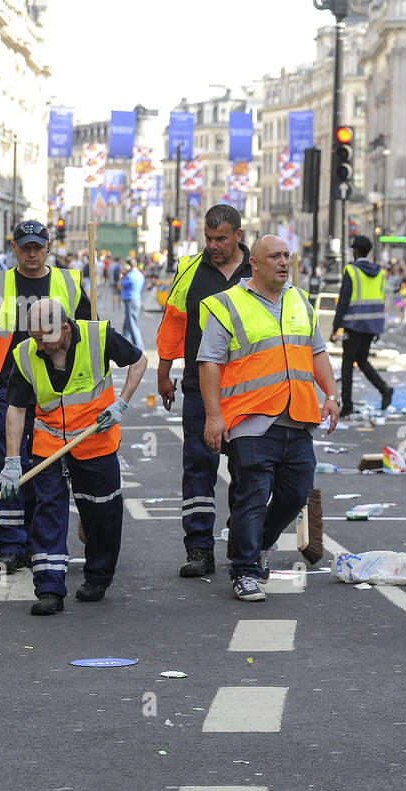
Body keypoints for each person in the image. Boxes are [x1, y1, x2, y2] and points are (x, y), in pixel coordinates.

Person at [197, 235, 340, 602]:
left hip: (298, 417)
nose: (283, 262)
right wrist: (214, 417)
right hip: (250, 420)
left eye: (286, 256)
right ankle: (244, 571)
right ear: (254, 264)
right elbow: (209, 364)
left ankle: (260, 542)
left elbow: (317, 352)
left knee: (295, 494)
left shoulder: (299, 300)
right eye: (274, 256)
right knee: (253, 496)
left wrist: (332, 395)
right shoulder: (226, 304)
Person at [0, 298, 147, 615]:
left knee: (102, 514)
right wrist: (12, 461)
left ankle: (98, 576)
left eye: (44, 338)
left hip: (95, 439)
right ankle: (49, 588)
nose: (38, 345)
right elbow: (17, 409)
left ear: (65, 327)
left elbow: (139, 361)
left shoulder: (98, 336)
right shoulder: (26, 354)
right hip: (50, 445)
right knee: (47, 513)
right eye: (34, 336)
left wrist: (121, 403)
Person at [0, 220, 90, 575]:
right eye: (25, 247)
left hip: (56, 391)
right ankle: (10, 546)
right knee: (8, 467)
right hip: (10, 389)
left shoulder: (69, 282)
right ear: (13, 248)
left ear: (48, 247)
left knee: (50, 470)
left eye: (37, 247)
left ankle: (41, 542)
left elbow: (89, 335)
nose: (31, 253)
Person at [156, 203, 252, 578]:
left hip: (247, 391)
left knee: (248, 471)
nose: (213, 245)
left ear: (238, 236)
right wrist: (164, 374)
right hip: (198, 388)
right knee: (198, 470)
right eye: (209, 238)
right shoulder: (190, 271)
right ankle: (199, 548)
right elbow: (173, 325)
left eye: (221, 239)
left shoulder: (257, 269)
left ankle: (245, 544)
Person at [332, 235, 393, 416]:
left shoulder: (351, 270)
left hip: (353, 324)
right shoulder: (380, 272)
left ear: (356, 251)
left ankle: (348, 405)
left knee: (348, 363)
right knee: (362, 360)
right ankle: (384, 389)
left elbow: (344, 301)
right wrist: (378, 326)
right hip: (371, 323)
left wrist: (335, 327)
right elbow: (381, 300)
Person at [118, 259, 145, 348]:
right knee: (127, 325)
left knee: (132, 324)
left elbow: (119, 286)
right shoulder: (140, 274)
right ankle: (124, 343)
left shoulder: (129, 275)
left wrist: (121, 275)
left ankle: (139, 346)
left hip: (130, 301)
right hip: (137, 299)